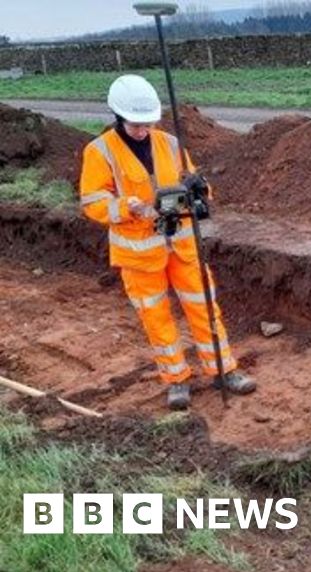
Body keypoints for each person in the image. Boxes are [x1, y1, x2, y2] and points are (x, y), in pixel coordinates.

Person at [78, 74, 255, 410]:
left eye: (148, 123)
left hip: (183, 247)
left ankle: (224, 370)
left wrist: (198, 188)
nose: (143, 130)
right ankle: (176, 380)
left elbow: (196, 187)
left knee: (204, 308)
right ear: (118, 117)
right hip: (140, 255)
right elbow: (91, 201)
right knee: (156, 318)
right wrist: (124, 207)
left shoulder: (170, 143)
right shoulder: (100, 151)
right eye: (135, 125)